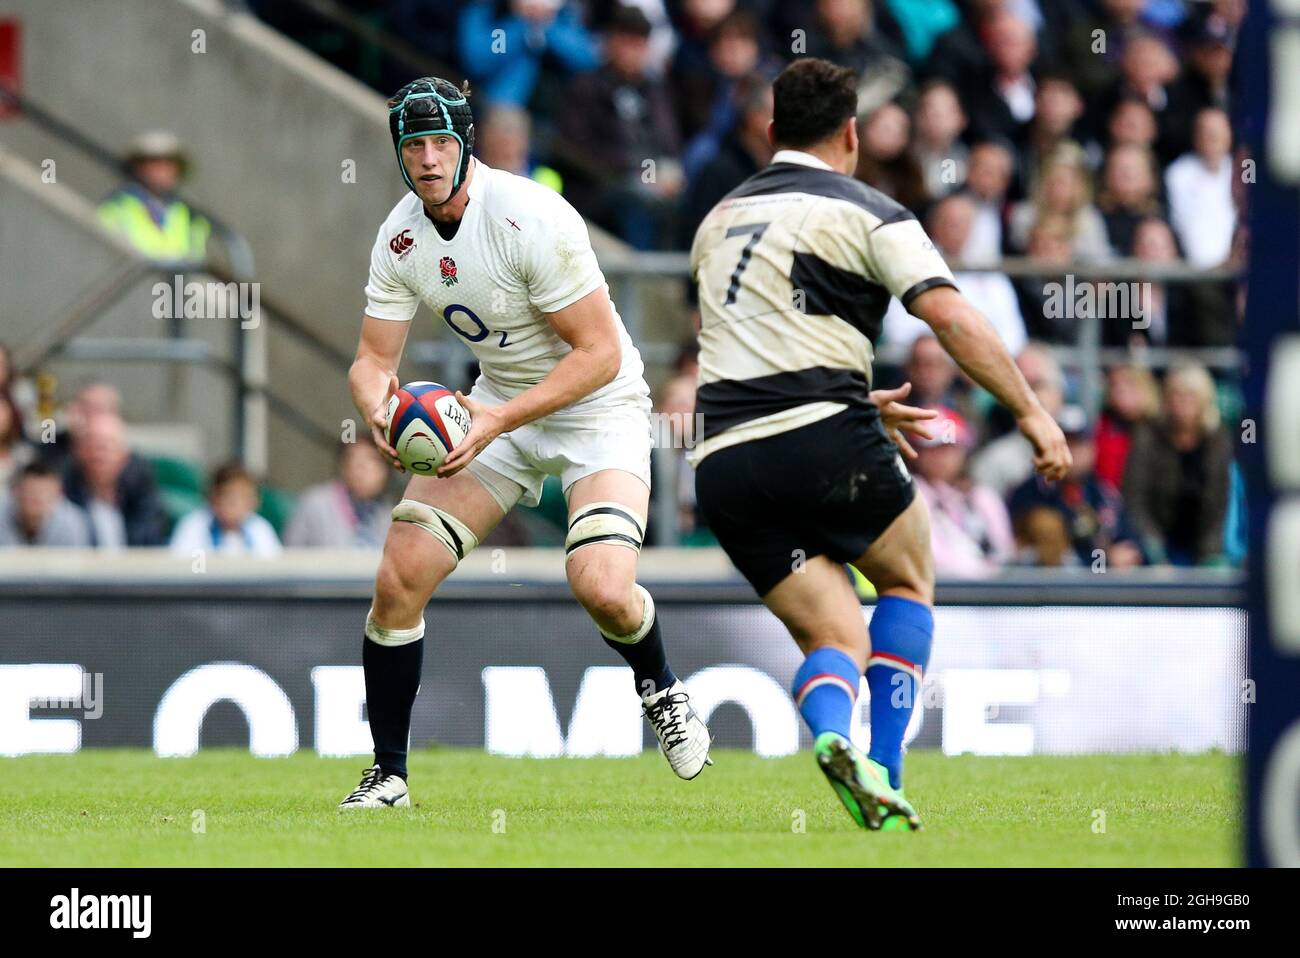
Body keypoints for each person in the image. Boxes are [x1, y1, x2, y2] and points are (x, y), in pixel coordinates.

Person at [689, 58, 1068, 830]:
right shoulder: (871, 212)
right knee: (906, 578)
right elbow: (952, 319)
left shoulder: (717, 221)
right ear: (853, 133)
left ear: (771, 133)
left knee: (834, 636)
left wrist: (853, 396)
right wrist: (1031, 412)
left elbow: (757, 350)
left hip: (725, 462)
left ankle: (834, 735)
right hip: (823, 437)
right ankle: (888, 767)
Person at [340, 77, 712, 810]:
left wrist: (494, 421)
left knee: (602, 587)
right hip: (498, 404)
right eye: (413, 144)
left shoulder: (528, 217)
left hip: (597, 407)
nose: (427, 157)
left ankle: (660, 687)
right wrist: (379, 410)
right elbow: (371, 361)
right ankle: (388, 775)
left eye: (441, 140)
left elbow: (600, 353)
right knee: (398, 576)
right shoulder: (400, 236)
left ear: (466, 141)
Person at [1123, 363, 1233, 566]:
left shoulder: (1218, 440)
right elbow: (1134, 500)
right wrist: (1154, 550)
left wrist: (1209, 555)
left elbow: (1220, 505)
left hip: (1203, 545)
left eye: (1190, 396)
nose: (1182, 403)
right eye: (1176, 395)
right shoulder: (1147, 436)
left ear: (1204, 401)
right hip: (1156, 542)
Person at [910, 406, 1015, 577]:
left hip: (990, 592)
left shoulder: (983, 497)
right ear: (916, 451)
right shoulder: (909, 492)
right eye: (932, 449)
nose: (940, 457)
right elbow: (931, 557)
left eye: (948, 448)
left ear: (963, 450)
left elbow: (1004, 552)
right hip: (939, 590)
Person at [97, 131, 210, 263]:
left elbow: (196, 260)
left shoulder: (192, 218)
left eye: (168, 163)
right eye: (154, 162)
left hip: (176, 282)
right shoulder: (115, 209)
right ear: (138, 166)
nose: (162, 170)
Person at [62, 413, 168, 547]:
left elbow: (148, 545)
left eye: (108, 445)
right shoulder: (63, 495)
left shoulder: (144, 498)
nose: (99, 453)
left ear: (125, 455)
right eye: (92, 444)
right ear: (78, 451)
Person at [284, 439, 394, 549]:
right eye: (354, 460)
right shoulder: (316, 502)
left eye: (372, 460)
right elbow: (290, 554)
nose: (360, 470)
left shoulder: (389, 514)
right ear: (344, 467)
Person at [170, 462, 282, 558]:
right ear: (214, 497)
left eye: (246, 497)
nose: (238, 505)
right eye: (232, 498)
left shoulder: (260, 528)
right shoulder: (194, 526)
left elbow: (273, 570)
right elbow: (189, 571)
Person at [0, 461, 92, 547]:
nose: (36, 496)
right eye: (29, 491)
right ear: (14, 491)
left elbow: (75, 561)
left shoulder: (72, 523)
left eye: (44, 492)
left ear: (59, 494)